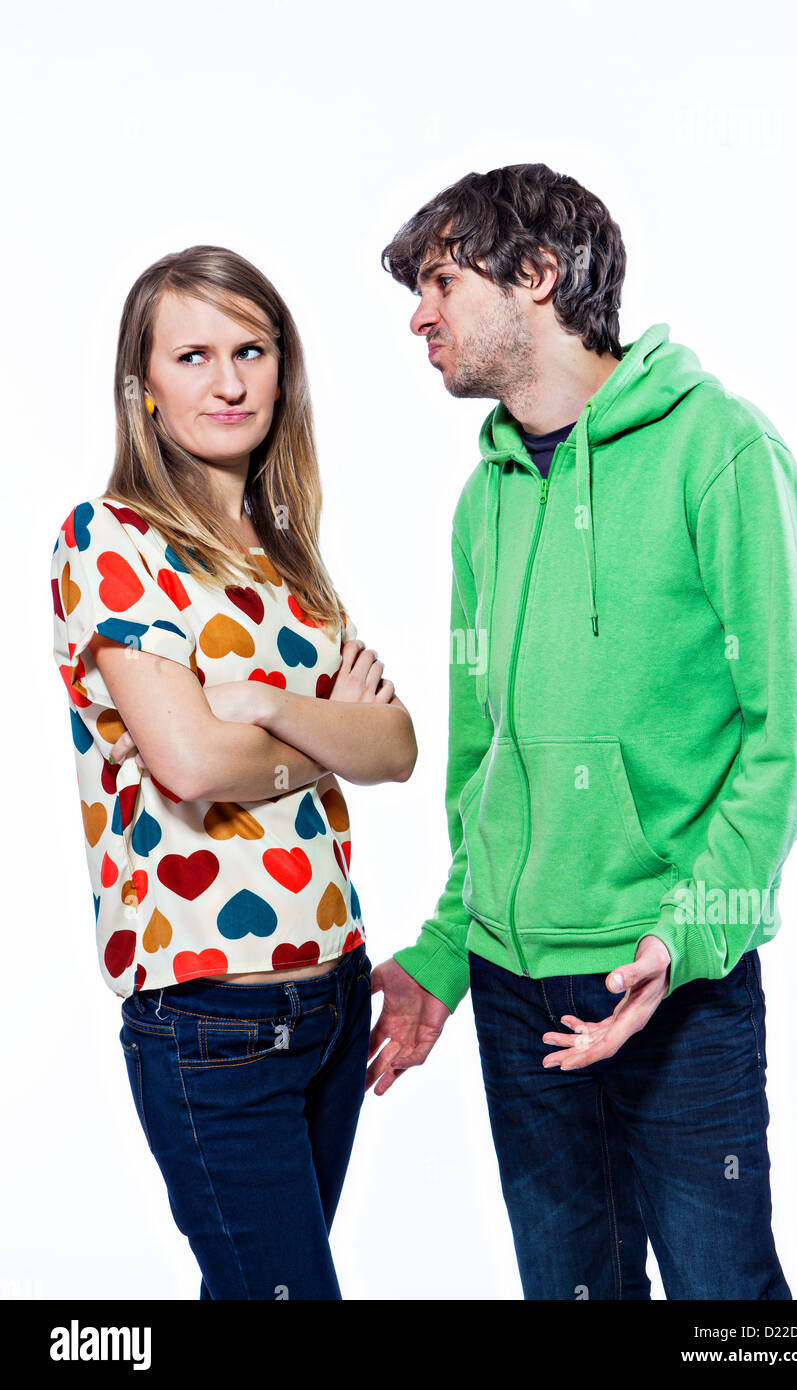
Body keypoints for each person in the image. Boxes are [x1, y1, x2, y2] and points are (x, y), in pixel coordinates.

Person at [367, 163, 797, 1300]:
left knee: (728, 1310)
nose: (417, 317)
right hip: (515, 989)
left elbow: (794, 730)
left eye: (439, 280)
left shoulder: (717, 451)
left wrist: (686, 933)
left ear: (535, 274)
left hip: (669, 984)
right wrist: (445, 952)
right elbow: (483, 761)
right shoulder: (483, 500)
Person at [49, 244, 417, 1300]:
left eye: (250, 349)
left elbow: (394, 748)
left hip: (335, 998)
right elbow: (190, 759)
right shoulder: (111, 539)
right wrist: (318, 729)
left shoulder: (284, 554)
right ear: (145, 388)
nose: (228, 380)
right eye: (194, 354)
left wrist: (259, 705)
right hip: (212, 1020)